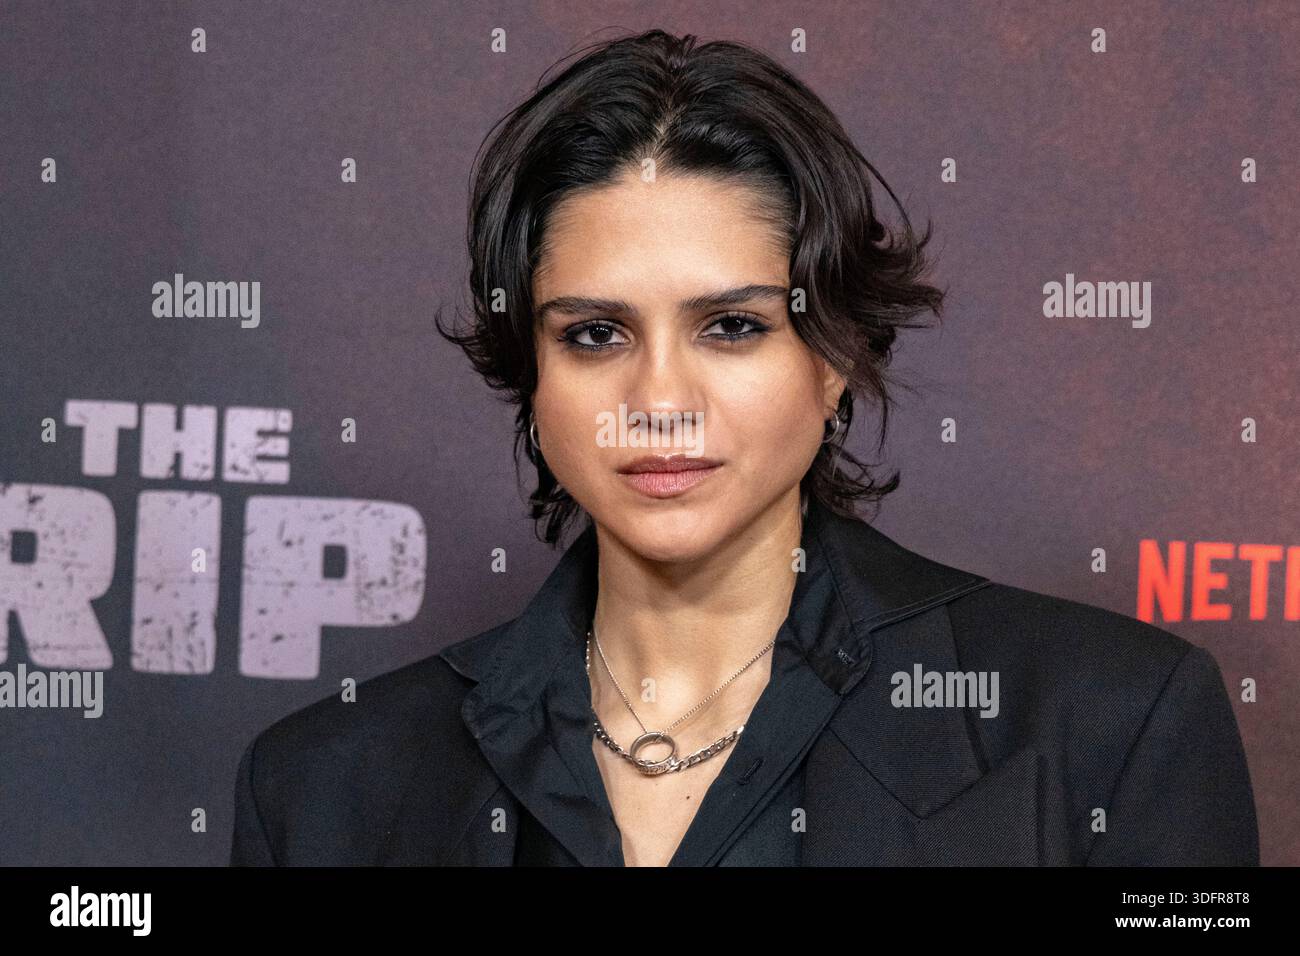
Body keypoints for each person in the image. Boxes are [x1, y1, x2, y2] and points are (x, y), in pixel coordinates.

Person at [230, 29, 1258, 866]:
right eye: (595, 333)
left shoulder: (1103, 725)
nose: (660, 397)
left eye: (732, 326)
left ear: (833, 356)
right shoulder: (327, 788)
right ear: (531, 374)